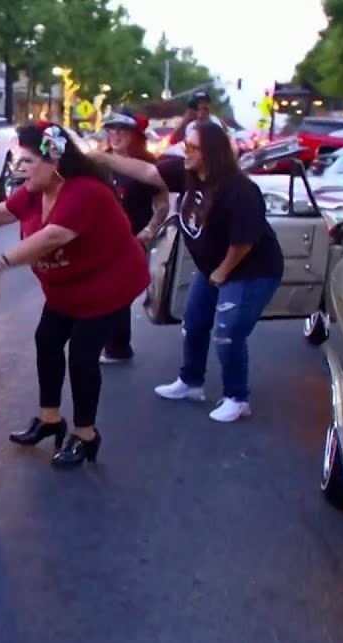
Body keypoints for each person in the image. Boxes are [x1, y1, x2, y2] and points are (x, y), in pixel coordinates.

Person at [0, 122, 149, 467]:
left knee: (83, 356)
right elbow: (4, 211)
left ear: (54, 159)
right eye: (18, 160)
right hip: (66, 289)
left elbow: (52, 238)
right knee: (47, 341)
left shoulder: (85, 192)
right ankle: (50, 419)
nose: (20, 168)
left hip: (107, 286)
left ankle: (86, 435)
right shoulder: (34, 191)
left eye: (27, 160)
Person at [91, 121, 285, 423]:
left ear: (212, 152)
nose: (186, 152)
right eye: (186, 145)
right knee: (193, 323)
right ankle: (191, 382)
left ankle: (237, 397)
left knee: (228, 333)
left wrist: (221, 272)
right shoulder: (189, 174)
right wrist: (102, 158)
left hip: (250, 272)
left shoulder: (240, 190)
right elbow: (146, 172)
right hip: (213, 270)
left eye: (193, 147)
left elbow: (244, 242)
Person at [98, 108, 170, 364]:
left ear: (134, 134)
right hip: (99, 238)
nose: (115, 135)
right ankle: (112, 343)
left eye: (122, 130)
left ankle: (117, 346)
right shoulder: (100, 161)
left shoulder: (148, 165)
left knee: (117, 291)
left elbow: (162, 203)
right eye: (111, 129)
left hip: (132, 238)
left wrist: (150, 229)